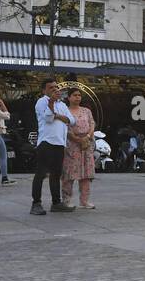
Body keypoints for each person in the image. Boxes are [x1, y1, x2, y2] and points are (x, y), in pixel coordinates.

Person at [31, 79, 76, 216]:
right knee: (41, 173)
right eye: (51, 88)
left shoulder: (62, 104)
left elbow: (72, 121)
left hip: (59, 143)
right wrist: (51, 103)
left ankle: (56, 203)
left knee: (56, 175)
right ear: (44, 90)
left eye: (56, 87)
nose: (55, 90)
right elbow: (49, 118)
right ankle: (36, 203)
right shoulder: (42, 102)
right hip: (46, 142)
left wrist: (58, 115)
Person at [61, 88, 97, 209]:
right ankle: (66, 200)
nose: (77, 97)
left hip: (87, 144)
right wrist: (77, 139)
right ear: (69, 97)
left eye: (79, 95)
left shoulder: (86, 111)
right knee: (70, 173)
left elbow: (92, 124)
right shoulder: (65, 111)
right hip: (72, 145)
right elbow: (65, 128)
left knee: (86, 173)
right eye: (74, 95)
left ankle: (84, 201)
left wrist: (87, 137)